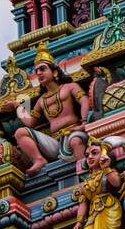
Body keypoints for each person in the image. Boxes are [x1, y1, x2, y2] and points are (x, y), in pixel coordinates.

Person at [14, 44, 88, 176]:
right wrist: (17, 106)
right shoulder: (41, 100)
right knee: (20, 132)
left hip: (73, 132)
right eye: (36, 71)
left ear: (54, 72)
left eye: (42, 69)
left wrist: (84, 122)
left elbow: (84, 101)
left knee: (76, 141)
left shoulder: (70, 87)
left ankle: (86, 174)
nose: (38, 73)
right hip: (55, 143)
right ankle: (39, 159)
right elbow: (30, 123)